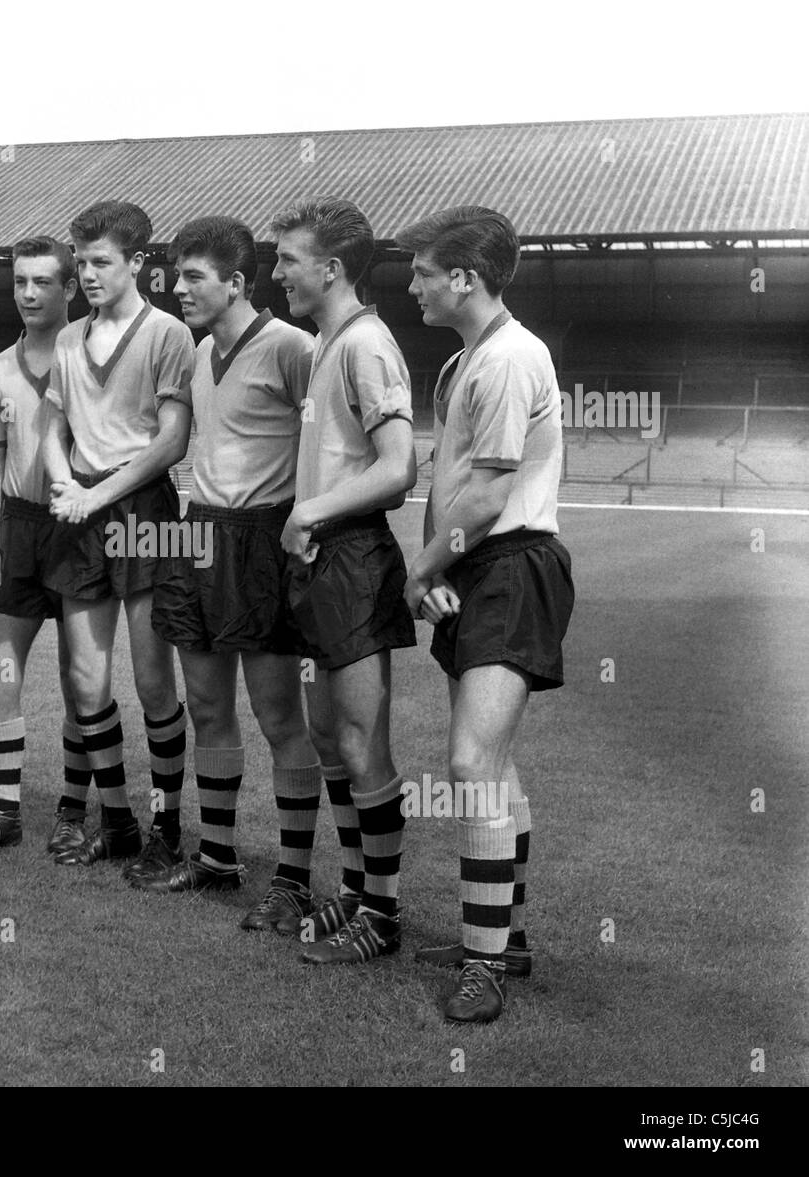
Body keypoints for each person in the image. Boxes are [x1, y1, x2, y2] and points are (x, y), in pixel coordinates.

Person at [396, 205, 574, 1023]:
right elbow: (455, 483)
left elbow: (496, 490)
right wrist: (439, 570)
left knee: (470, 766)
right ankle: (504, 937)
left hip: (513, 567)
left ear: (463, 276)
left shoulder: (508, 357)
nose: (414, 285)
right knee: (493, 765)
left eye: (425, 272)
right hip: (478, 567)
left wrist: (418, 570)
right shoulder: (468, 358)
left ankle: (486, 962)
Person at [144, 215, 324, 929]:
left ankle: (292, 880)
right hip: (201, 535)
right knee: (209, 705)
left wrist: (305, 524)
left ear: (238, 283)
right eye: (178, 275)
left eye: (193, 277)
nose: (179, 288)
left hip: (263, 542)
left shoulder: (293, 349)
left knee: (281, 714)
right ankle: (216, 857)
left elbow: (332, 446)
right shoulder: (193, 352)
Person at [267, 198, 419, 967]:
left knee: (363, 742)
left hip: (353, 557)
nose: (275, 271)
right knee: (329, 735)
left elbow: (400, 468)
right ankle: (359, 890)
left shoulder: (366, 344)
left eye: (288, 258)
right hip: (320, 560)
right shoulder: (330, 341)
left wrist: (313, 510)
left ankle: (384, 913)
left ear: (329, 268)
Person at [41, 200, 195, 880]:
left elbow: (171, 441)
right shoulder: (69, 340)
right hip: (80, 512)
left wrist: (94, 494)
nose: (89, 273)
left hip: (143, 512)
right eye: (81, 262)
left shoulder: (168, 334)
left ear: (138, 262)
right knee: (84, 680)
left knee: (153, 679)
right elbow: (53, 428)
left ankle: (166, 826)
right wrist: (63, 485)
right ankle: (117, 821)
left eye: (101, 261)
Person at [0, 236, 86, 855]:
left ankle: (73, 808)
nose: (29, 294)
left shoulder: (90, 354)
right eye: (19, 283)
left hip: (82, 529)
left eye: (42, 283)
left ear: (70, 287)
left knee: (82, 678)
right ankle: (6, 810)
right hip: (16, 528)